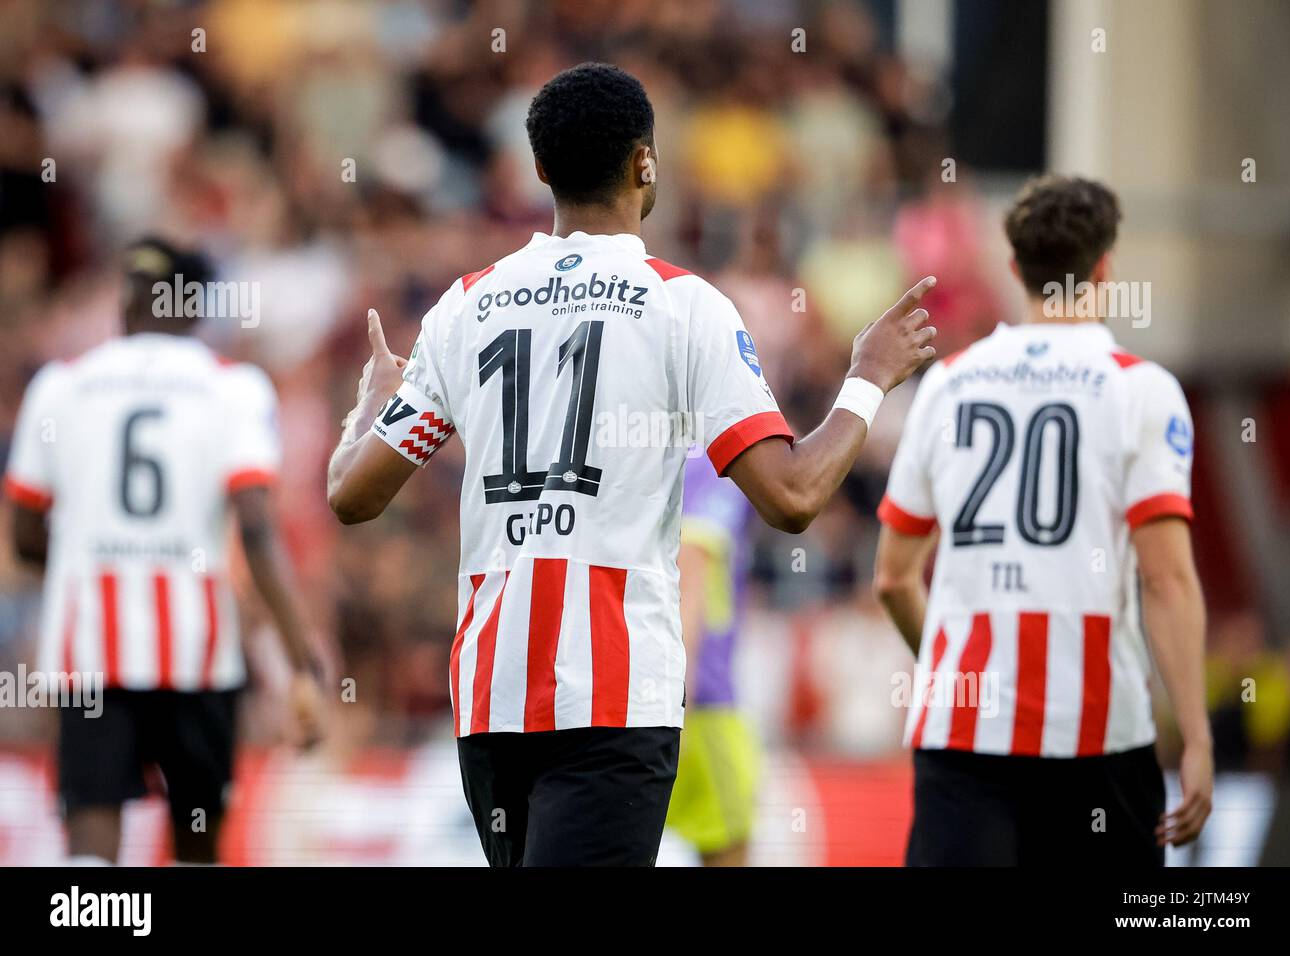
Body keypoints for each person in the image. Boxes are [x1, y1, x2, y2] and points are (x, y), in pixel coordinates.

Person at [327, 62, 936, 867]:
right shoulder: (685, 305)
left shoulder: (466, 304)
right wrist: (866, 379)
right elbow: (791, 497)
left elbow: (351, 496)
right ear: (646, 162)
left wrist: (368, 405)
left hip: (490, 697)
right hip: (613, 697)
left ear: (541, 170)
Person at [873, 175, 1213, 866]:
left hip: (962, 740)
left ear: (1013, 268)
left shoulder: (948, 382)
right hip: (1095, 740)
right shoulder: (1139, 389)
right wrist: (1200, 736)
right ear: (1106, 267)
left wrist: (954, 671)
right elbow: (1167, 580)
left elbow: (892, 579)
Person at [4, 238, 322, 864]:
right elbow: (255, 529)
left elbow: (22, 534)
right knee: (197, 838)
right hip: (197, 652)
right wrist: (300, 659)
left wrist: (81, 563)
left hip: (90, 648)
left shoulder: (61, 386)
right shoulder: (232, 388)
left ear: (126, 300)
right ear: (192, 309)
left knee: (92, 832)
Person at [664, 453, 763, 866]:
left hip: (641, 689)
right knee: (728, 847)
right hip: (701, 704)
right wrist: (677, 701)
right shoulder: (711, 457)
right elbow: (692, 566)